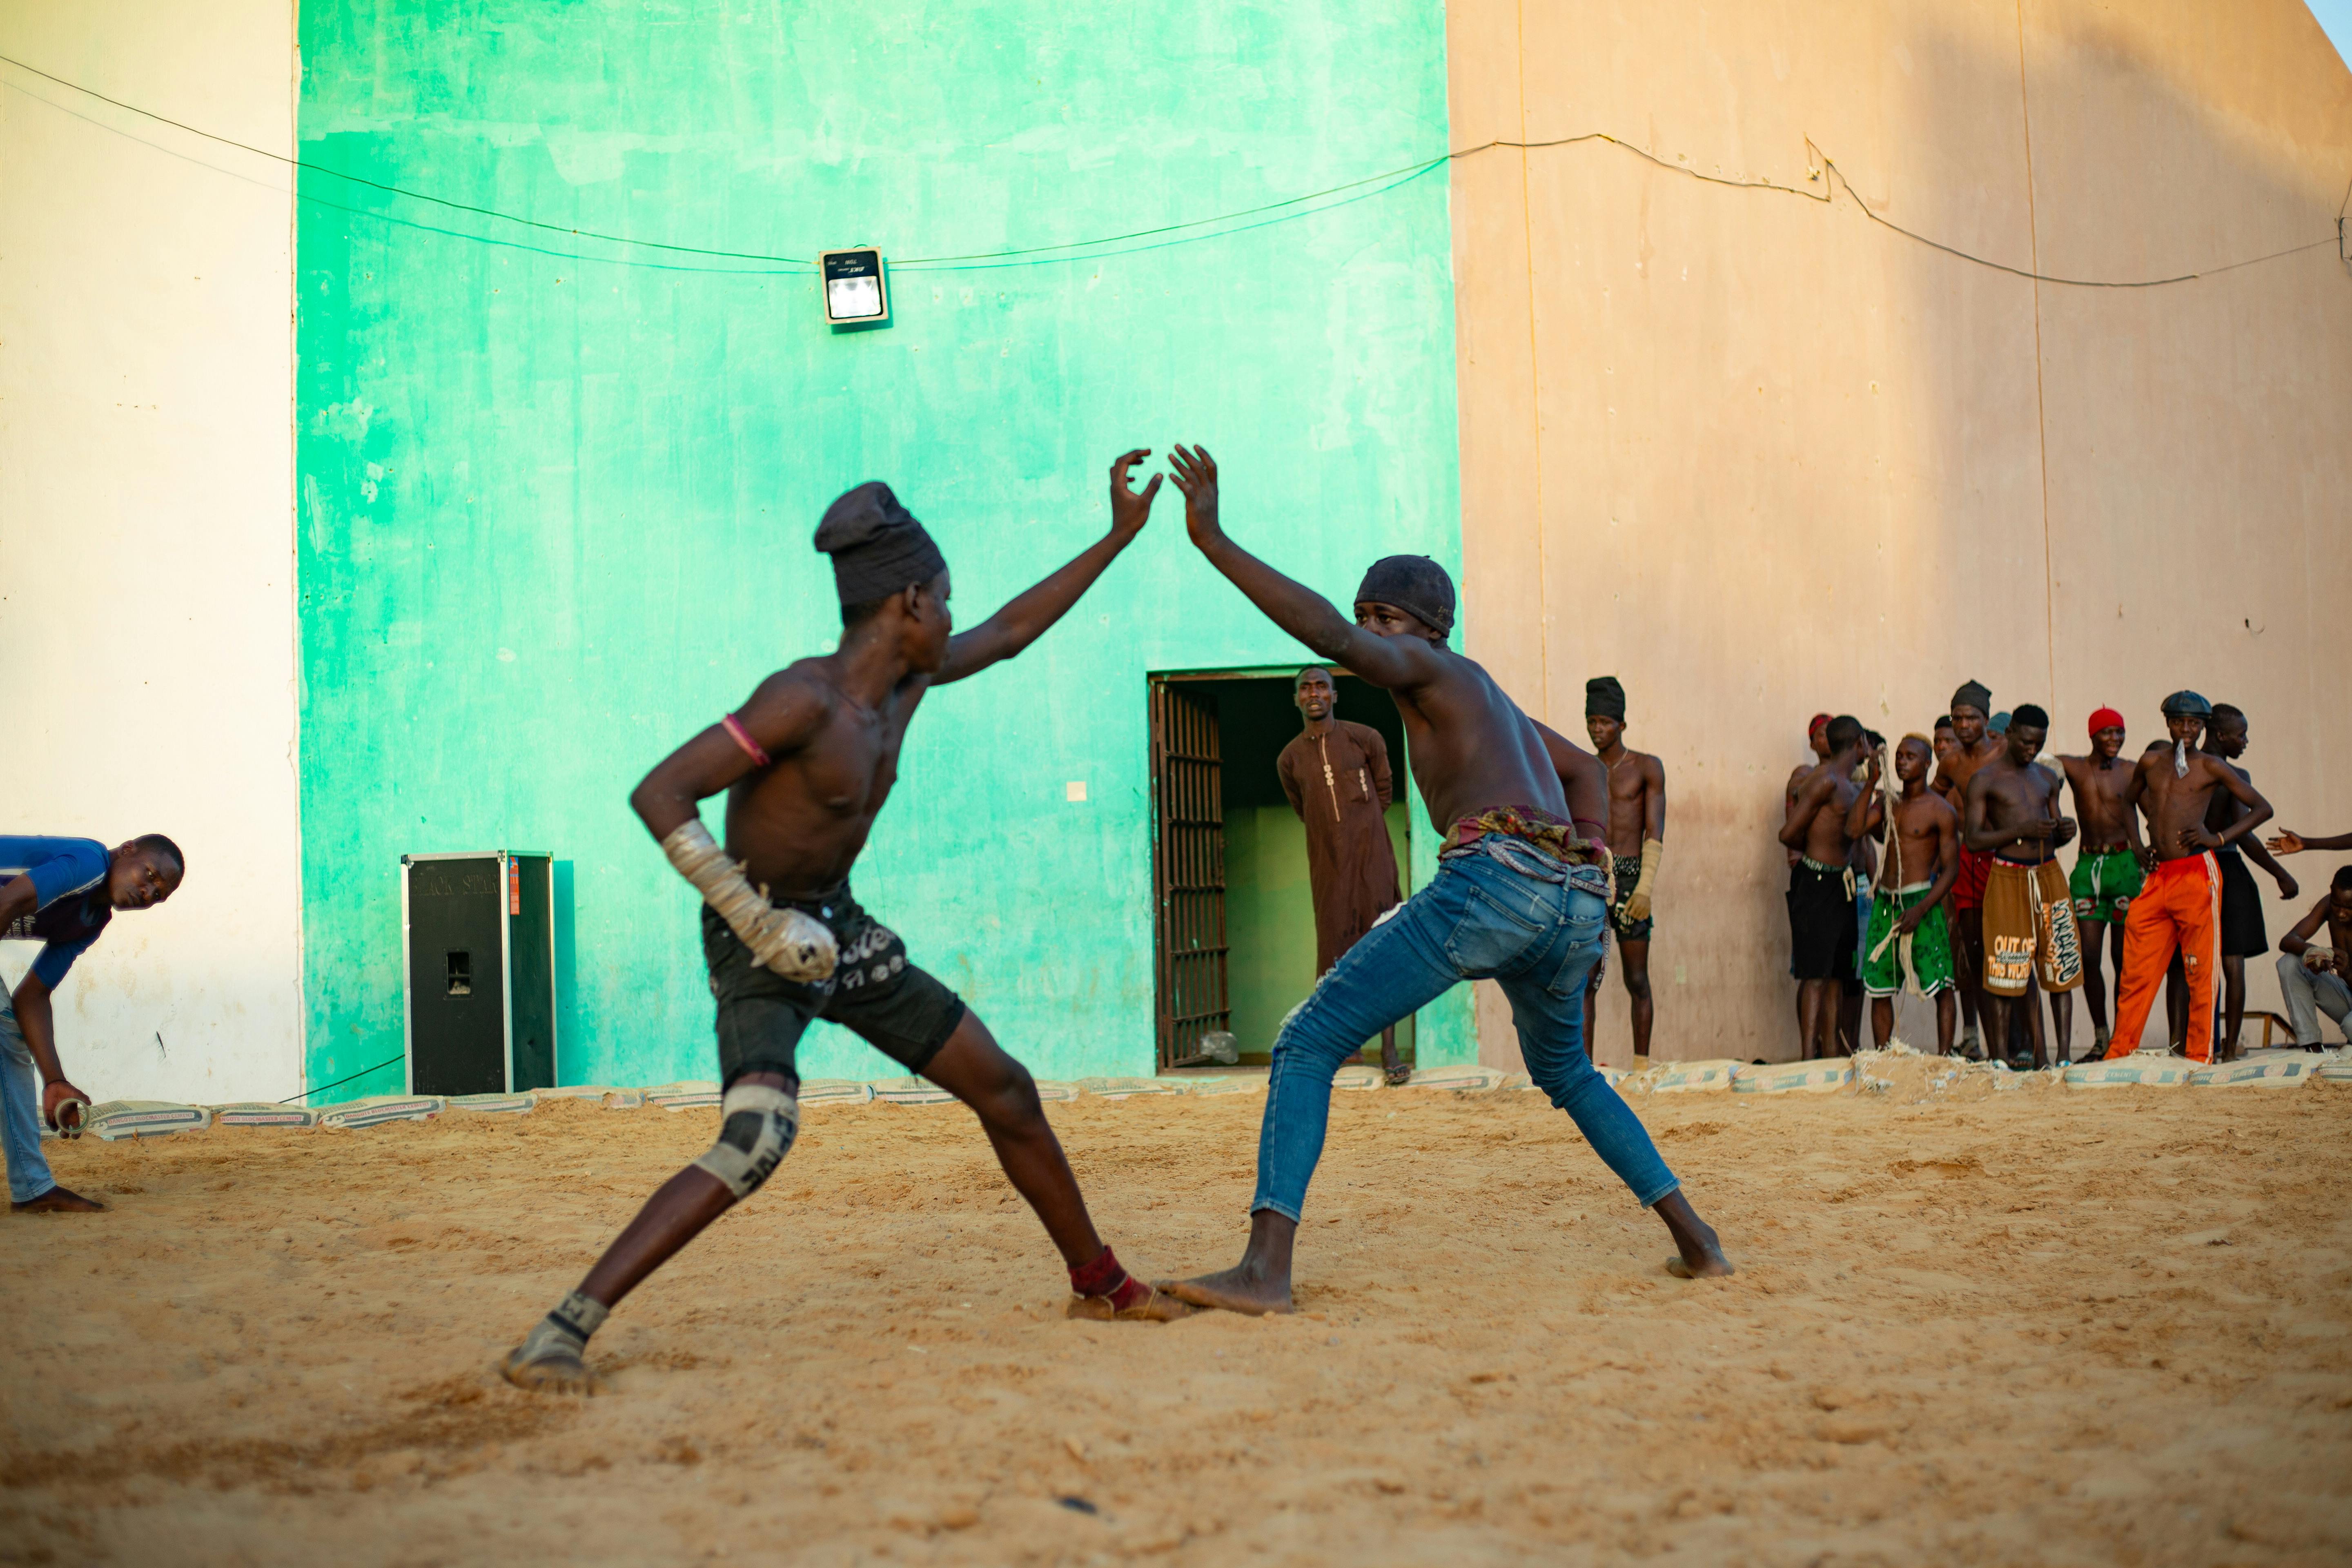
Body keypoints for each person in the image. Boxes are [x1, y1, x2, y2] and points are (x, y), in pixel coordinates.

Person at [501, 456, 1190, 1395]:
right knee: (754, 1139)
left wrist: (1117, 534)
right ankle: (561, 1328)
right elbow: (659, 791)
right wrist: (753, 915)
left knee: (1005, 1088)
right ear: (908, 602)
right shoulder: (803, 698)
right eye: (945, 601)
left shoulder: (906, 687)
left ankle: (1098, 1283)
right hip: (754, 936)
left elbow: (1017, 630)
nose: (955, 617)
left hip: (842, 932)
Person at [1158, 443, 1731, 1315]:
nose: (1365, 640)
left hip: (1493, 882)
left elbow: (1327, 638)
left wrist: (1214, 542)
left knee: (1306, 1041)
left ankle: (1266, 1272)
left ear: (1412, 626)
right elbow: (1586, 773)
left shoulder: (1423, 665)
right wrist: (1584, 860)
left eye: (1375, 620)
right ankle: (1700, 1241)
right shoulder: (1482, 690)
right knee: (1570, 1074)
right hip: (1569, 901)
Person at [1, 835, 185, 1213]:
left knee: (7, 1032)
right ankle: (33, 1187)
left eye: (158, 895)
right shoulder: (90, 863)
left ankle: (33, 1189)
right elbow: (12, 900)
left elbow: (32, 997)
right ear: (128, 849)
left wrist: (54, 1082)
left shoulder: (91, 921)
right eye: (148, 875)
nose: (148, 892)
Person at [2102, 691, 2272, 1062]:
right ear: (2168, 722)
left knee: (2200, 968)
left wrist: (2220, 838)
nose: (2186, 729)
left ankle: (2200, 1055)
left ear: (2203, 726)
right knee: (2137, 967)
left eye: (2194, 723)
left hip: (2197, 873)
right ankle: (2119, 1051)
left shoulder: (2211, 766)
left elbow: (2263, 808)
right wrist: (2135, 844)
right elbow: (2127, 802)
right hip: (2159, 873)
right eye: (2180, 721)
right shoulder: (2151, 762)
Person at [1276, 666, 1408, 1085]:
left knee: (1384, 945)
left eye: (1321, 687)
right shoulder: (1289, 758)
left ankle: (1389, 1052)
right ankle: (1341, 1047)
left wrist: (1360, 830)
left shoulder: (1365, 738)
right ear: (1296, 699)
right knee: (1334, 952)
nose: (1314, 693)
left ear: (1336, 696)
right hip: (1328, 865)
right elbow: (1304, 809)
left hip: (1373, 861)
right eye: (1305, 688)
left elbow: (1384, 793)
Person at [1960, 705, 2083, 1069]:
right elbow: (1973, 840)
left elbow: (2053, 830)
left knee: (2061, 964)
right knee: (2005, 969)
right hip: (2007, 877)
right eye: (2026, 741)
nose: (2032, 749)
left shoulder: (2047, 778)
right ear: (2010, 733)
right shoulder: (1985, 780)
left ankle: (2061, 1057)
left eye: (2039, 743)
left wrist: (2066, 832)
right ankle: (1999, 1058)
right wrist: (2019, 832)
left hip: (2049, 874)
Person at [1846, 735, 1960, 1051]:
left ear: (1927, 764)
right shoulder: (1888, 804)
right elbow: (1853, 831)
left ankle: (1945, 1055)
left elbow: (1951, 870)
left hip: (1922, 902)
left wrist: (1921, 909)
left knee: (1942, 983)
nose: (1901, 761)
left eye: (1911, 756)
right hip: (1886, 903)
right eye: (1899, 756)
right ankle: (1884, 1058)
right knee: (1880, 987)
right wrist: (1871, 782)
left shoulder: (1941, 810)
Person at [2203, 705, 2297, 1060]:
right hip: (2225, 867)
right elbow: (2245, 836)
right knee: (2232, 963)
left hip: (2199, 868)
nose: (2245, 741)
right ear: (2221, 735)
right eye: (2241, 735)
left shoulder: (2188, 768)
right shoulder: (2234, 773)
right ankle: (2228, 1048)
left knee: (2205, 964)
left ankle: (2207, 1044)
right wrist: (2280, 872)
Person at [1583, 676, 1666, 1069]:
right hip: (1595, 879)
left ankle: (1641, 1068)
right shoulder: (1583, 770)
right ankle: (1582, 1072)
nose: (1597, 730)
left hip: (1633, 882)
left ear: (1621, 725)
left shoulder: (1646, 768)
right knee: (1585, 981)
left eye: (1604, 722)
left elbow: (1655, 831)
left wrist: (1645, 887)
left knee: (1637, 980)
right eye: (1591, 722)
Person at [2056, 708, 2143, 1056]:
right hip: (2089, 866)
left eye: (2119, 733)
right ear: (2092, 735)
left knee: (2123, 958)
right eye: (2107, 733)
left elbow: (2155, 808)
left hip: (2125, 866)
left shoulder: (2133, 771)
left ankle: (2123, 1037)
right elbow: (2038, 765)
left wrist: (2147, 852)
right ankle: (2102, 1035)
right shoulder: (2076, 767)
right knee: (2089, 956)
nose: (2114, 740)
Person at [1779, 716, 1866, 1060]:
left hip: (1841, 883)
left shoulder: (1850, 783)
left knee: (1837, 975)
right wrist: (1815, 852)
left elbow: (1855, 833)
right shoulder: (1825, 781)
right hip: (1815, 881)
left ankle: (1831, 1053)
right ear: (1860, 743)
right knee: (1814, 974)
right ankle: (1807, 1058)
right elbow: (1788, 834)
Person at [1933, 682, 2002, 1058]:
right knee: (1975, 959)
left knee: (2010, 956)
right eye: (1957, 717)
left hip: (2007, 862)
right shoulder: (1951, 763)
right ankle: (1993, 1051)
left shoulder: (2005, 753)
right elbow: (1928, 800)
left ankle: (2028, 1049)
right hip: (1968, 863)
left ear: (1986, 720)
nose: (1962, 725)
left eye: (1971, 717)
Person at [2274, 867, 2352, 1049]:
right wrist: (2314, 952)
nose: (2341, 913)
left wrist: (2348, 973)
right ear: (2331, 890)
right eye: (2336, 904)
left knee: (2350, 1026)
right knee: (2289, 963)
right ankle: (2312, 1048)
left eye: (2349, 908)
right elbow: (2288, 940)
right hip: (2347, 996)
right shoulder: (2327, 905)